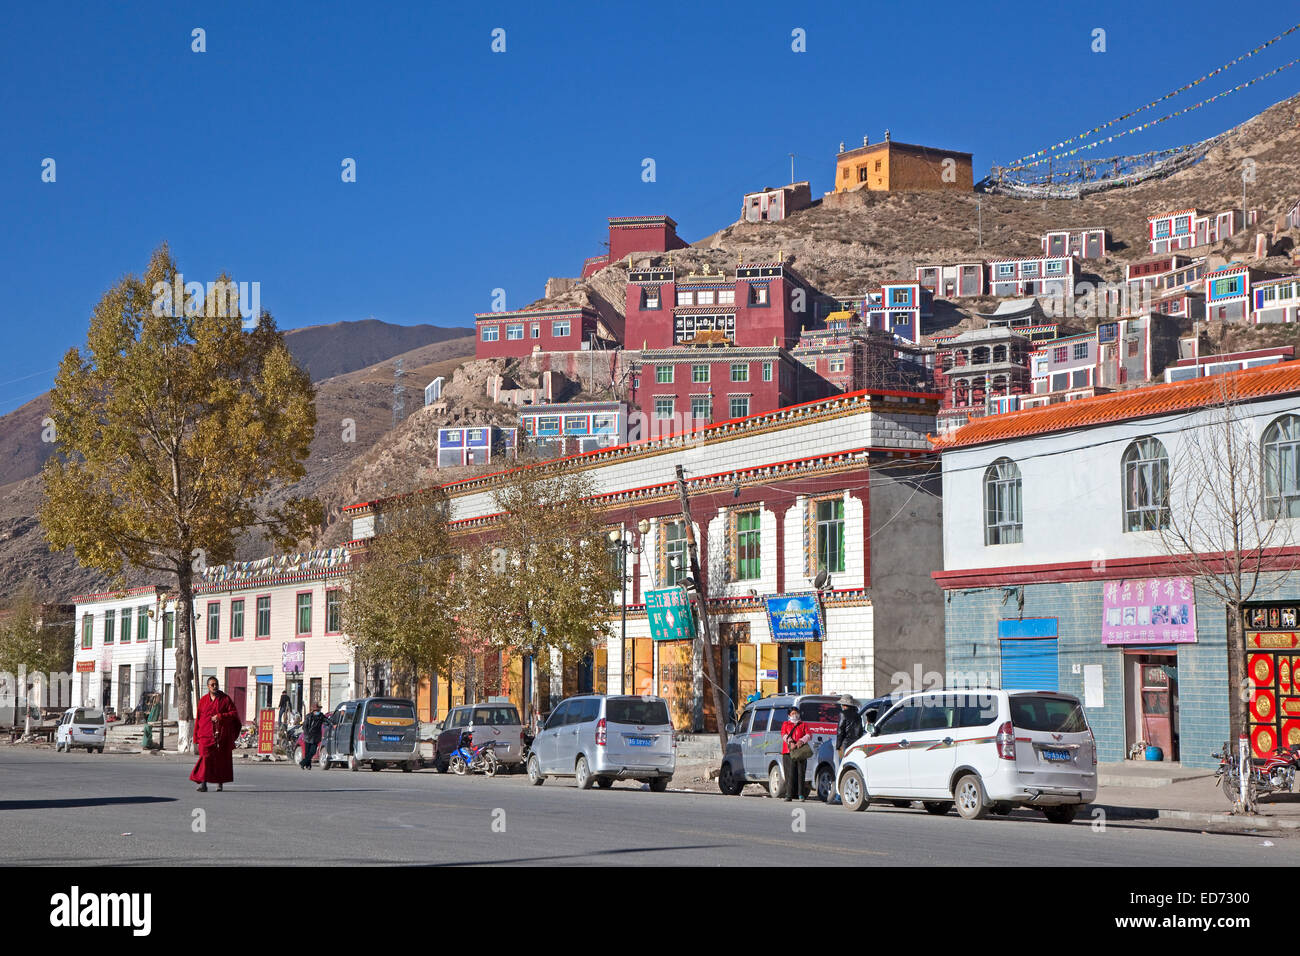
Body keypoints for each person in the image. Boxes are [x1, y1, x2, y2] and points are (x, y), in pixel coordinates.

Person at [190, 676, 241, 792]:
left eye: (216, 684)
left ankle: (220, 782)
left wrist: (220, 716)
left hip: (220, 736)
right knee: (205, 758)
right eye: (212, 684)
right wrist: (196, 736)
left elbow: (233, 714)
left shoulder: (225, 699)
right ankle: (203, 783)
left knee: (221, 760)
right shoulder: (203, 701)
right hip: (205, 735)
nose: (214, 686)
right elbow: (199, 719)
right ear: (208, 686)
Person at [831, 694, 863, 804]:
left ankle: (839, 797)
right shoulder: (858, 715)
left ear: (844, 705)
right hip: (856, 744)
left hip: (845, 743)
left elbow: (840, 731)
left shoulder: (842, 714)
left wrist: (838, 745)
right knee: (852, 769)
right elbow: (860, 731)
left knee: (841, 769)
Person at [780, 706, 812, 802]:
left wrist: (801, 741)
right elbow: (783, 734)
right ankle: (789, 794)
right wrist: (790, 742)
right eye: (793, 713)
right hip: (788, 752)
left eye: (796, 713)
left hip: (800, 751)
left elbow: (809, 734)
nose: (795, 715)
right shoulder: (786, 724)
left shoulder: (803, 724)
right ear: (789, 715)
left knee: (801, 773)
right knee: (789, 773)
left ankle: (801, 794)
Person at [300, 702, 328, 769]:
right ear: (313, 710)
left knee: (312, 752)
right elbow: (304, 727)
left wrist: (333, 724)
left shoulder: (321, 716)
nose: (318, 711)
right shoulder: (308, 716)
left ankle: (303, 762)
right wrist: (306, 734)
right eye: (317, 710)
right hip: (308, 736)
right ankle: (308, 765)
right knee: (307, 752)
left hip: (316, 737)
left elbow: (327, 721)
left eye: (319, 710)